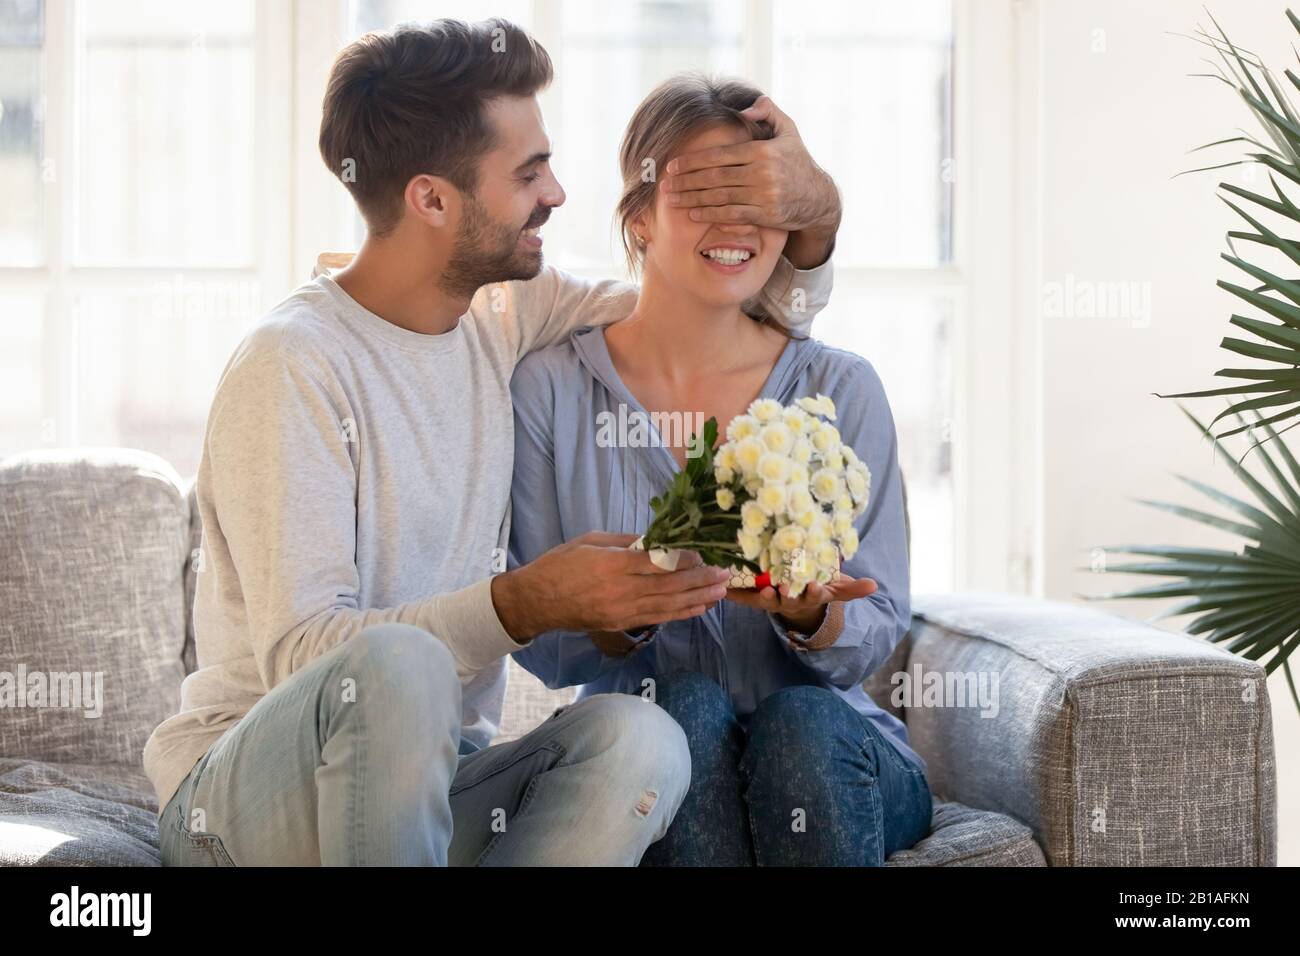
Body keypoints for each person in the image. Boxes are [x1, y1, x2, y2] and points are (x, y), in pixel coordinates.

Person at [142, 20, 844, 866]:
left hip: (432, 788)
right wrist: (526, 603)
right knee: (398, 666)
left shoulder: (502, 312)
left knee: (642, 737)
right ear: (433, 199)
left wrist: (814, 217)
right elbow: (305, 658)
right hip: (242, 806)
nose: (556, 194)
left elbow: (708, 310)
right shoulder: (293, 365)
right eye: (528, 172)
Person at [509, 73, 931, 867]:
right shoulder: (550, 390)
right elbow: (543, 648)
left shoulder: (840, 388)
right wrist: (622, 604)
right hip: (651, 751)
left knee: (798, 723)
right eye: (706, 194)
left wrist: (811, 615)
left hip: (838, 756)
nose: (738, 227)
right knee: (678, 712)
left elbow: (876, 628)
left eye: (760, 200)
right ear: (638, 218)